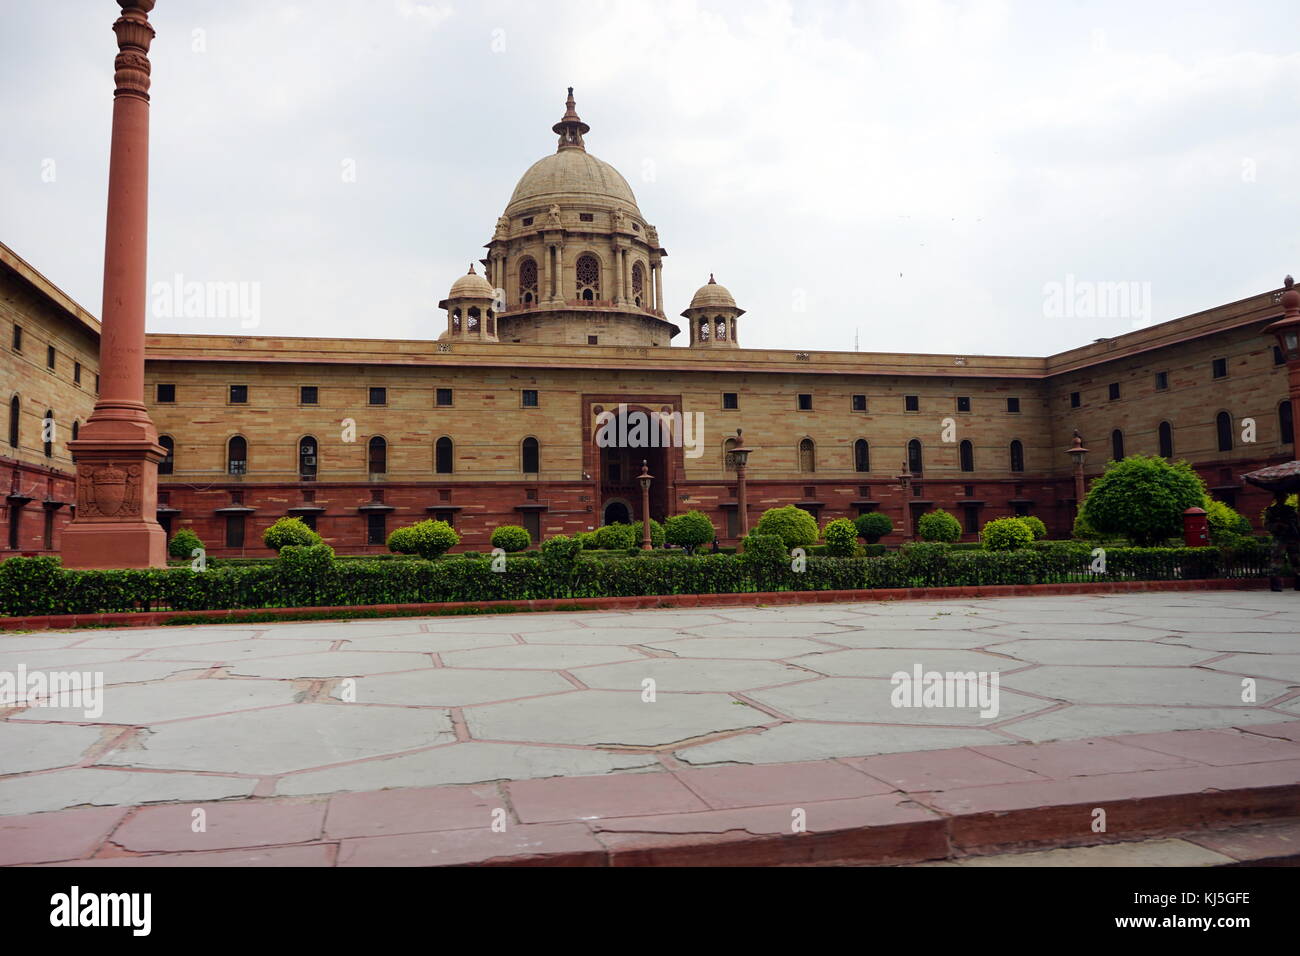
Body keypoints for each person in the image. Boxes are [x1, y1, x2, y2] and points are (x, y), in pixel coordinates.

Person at [1262, 492, 1300, 591]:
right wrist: (1278, 525)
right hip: (1280, 538)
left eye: (1284, 496)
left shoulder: (1291, 510)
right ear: (1276, 498)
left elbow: (1296, 523)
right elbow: (1267, 525)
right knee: (1276, 561)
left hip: (1292, 537)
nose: (1283, 498)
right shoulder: (1272, 511)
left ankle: (1298, 582)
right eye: (1281, 496)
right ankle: (1276, 584)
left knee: (1296, 560)